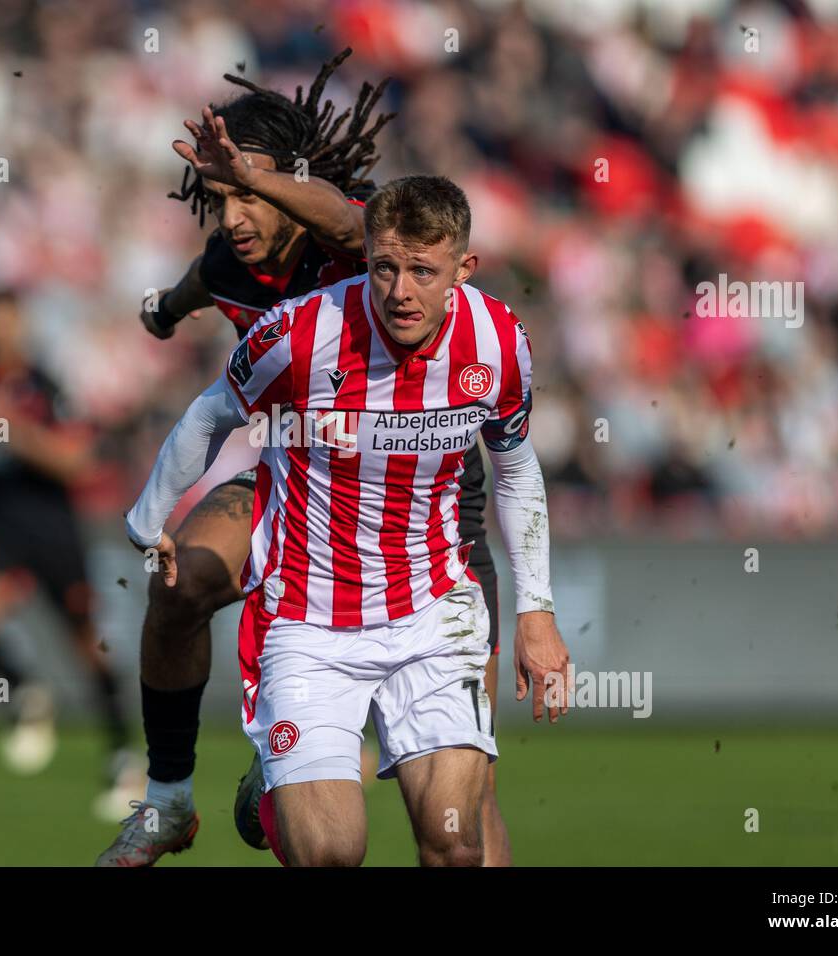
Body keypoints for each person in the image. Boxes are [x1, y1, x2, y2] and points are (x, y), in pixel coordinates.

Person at [123, 175, 571, 865]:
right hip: (309, 621)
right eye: (385, 267)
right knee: (331, 856)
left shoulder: (499, 341)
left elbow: (515, 467)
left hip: (432, 615)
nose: (400, 291)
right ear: (366, 256)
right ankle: (267, 782)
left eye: (423, 270)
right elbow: (208, 415)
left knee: (455, 841)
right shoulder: (301, 334)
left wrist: (536, 611)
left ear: (463, 269)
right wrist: (146, 518)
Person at [0, 289, 136, 808]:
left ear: (21, 329)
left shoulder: (45, 387)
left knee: (86, 645)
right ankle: (26, 690)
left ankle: (124, 756)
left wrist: (12, 431)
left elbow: (79, 463)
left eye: (4, 324)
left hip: (51, 528)